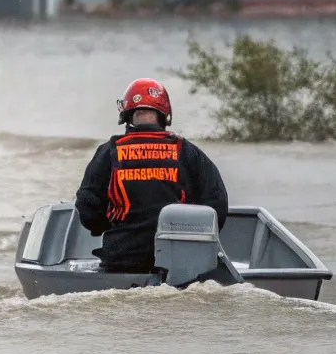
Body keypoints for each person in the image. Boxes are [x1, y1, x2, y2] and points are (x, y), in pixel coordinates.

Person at [74, 79, 229, 273]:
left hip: (122, 260)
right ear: (165, 115)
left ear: (127, 115)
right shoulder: (186, 150)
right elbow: (217, 203)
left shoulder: (110, 151)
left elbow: (88, 207)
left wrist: (107, 226)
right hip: (180, 262)